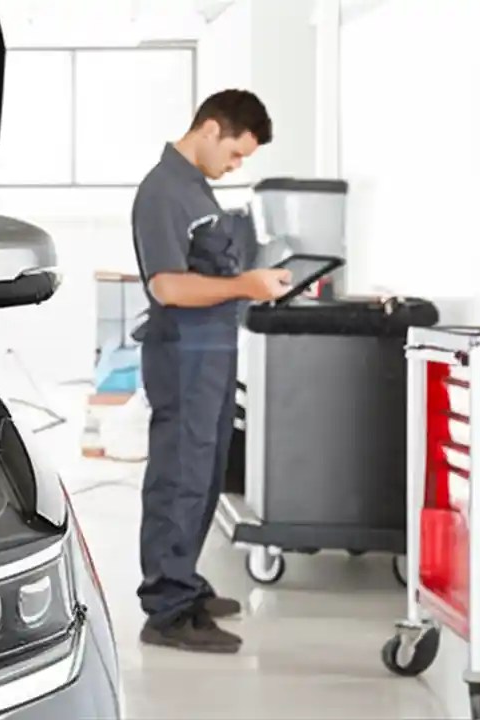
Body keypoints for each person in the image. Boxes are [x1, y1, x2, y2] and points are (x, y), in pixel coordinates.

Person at [131, 89, 292, 653]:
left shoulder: (198, 187)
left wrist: (257, 283)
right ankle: (166, 611)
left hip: (212, 353)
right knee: (179, 476)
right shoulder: (163, 191)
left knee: (204, 474)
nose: (237, 166)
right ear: (210, 130)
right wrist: (246, 285)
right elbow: (168, 285)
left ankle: (185, 582)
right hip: (182, 355)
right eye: (237, 154)